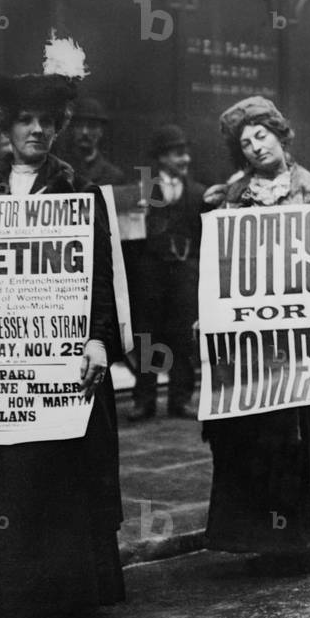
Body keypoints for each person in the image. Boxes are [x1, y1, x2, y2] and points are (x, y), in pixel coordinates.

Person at [0, 36, 125, 618]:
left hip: (60, 364)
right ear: (5, 127)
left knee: (53, 475)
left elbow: (103, 282)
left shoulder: (80, 195)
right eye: (24, 120)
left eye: (47, 121)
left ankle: (58, 598)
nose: (36, 130)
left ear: (60, 126)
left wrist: (99, 341)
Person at [200, 96, 310, 554]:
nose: (256, 147)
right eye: (245, 143)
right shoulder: (229, 201)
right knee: (258, 434)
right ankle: (271, 537)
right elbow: (220, 268)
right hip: (253, 341)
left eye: (262, 136)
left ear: (281, 136)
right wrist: (209, 315)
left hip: (309, 335)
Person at [127, 124, 205, 421]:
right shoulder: (144, 187)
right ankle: (144, 399)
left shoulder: (198, 192)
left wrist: (194, 266)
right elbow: (132, 235)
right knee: (147, 337)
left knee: (184, 337)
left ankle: (180, 399)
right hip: (151, 275)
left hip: (184, 275)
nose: (184, 159)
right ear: (161, 158)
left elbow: (203, 235)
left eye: (186, 153)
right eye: (176, 153)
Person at [59, 96, 126, 189]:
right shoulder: (57, 171)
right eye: (79, 125)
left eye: (92, 126)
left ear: (101, 131)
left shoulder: (113, 176)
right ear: (72, 130)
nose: (85, 132)